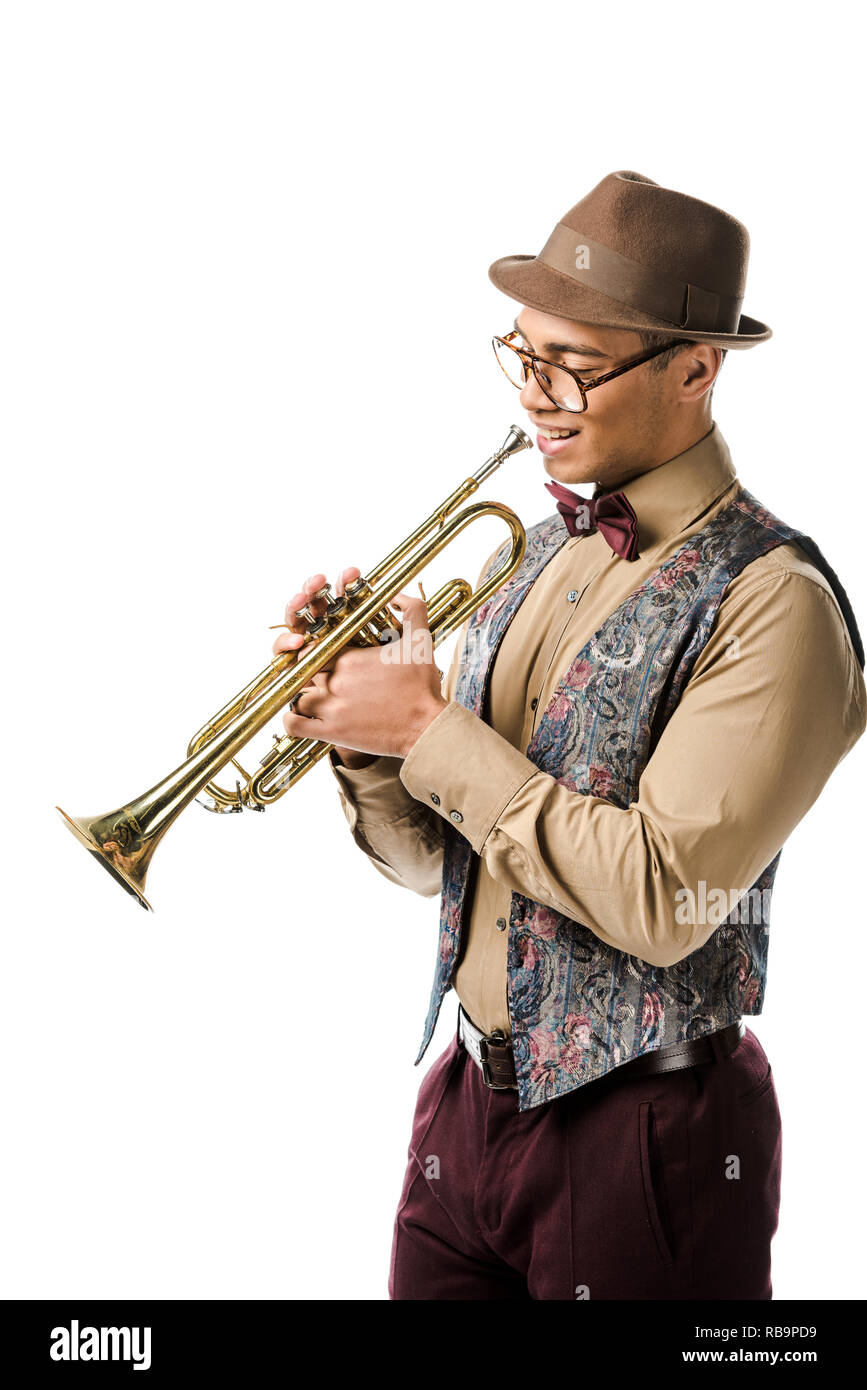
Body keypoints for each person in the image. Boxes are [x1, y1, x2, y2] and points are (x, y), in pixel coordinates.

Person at [273, 171, 866, 1300]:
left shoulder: (774, 602)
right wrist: (367, 735)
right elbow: (440, 866)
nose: (536, 396)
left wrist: (432, 726)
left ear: (698, 368)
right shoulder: (533, 556)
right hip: (464, 1107)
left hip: (649, 1136)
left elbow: (663, 900)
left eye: (576, 364)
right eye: (524, 353)